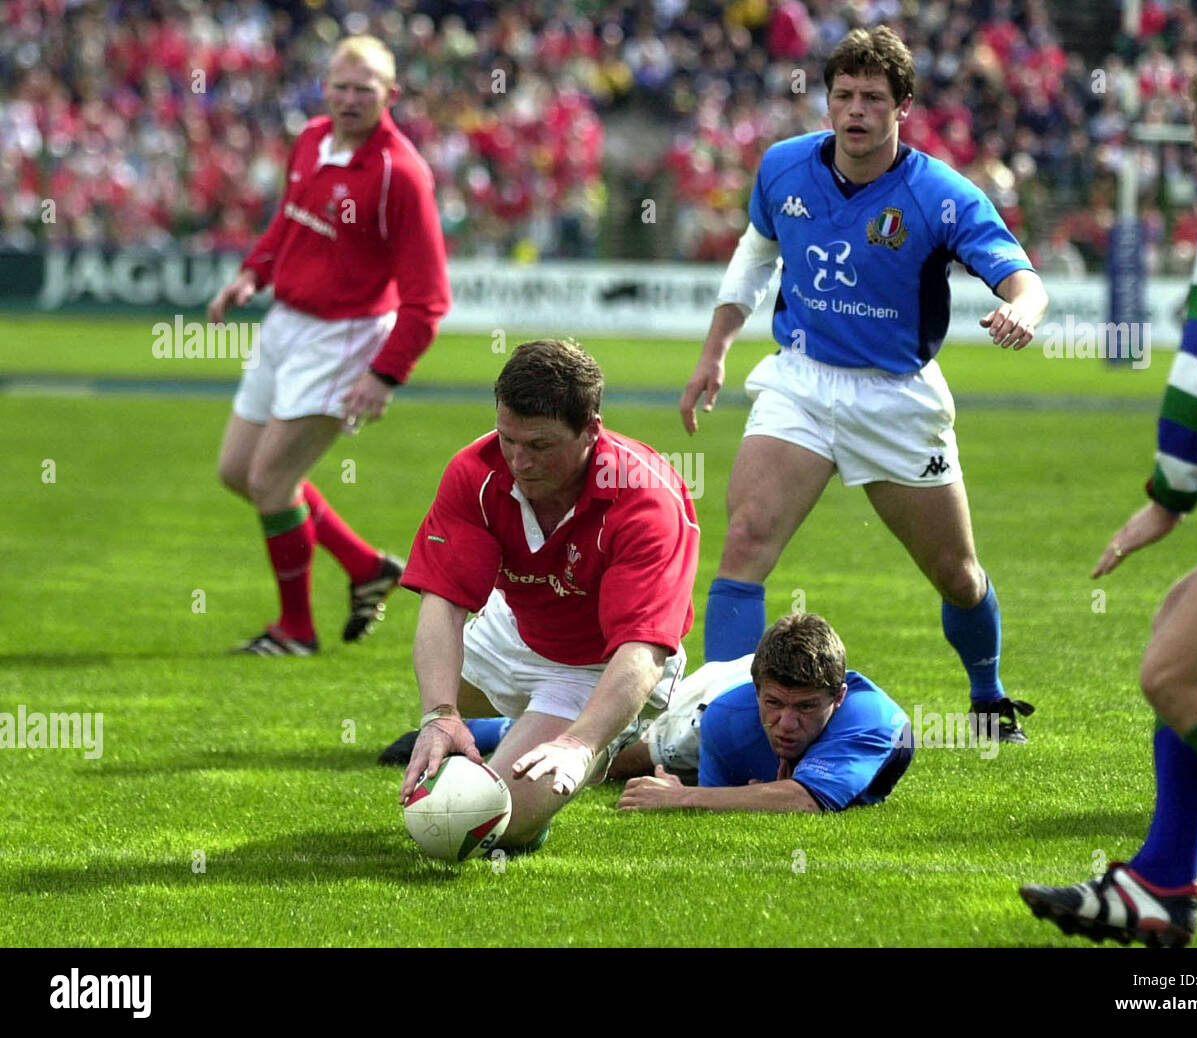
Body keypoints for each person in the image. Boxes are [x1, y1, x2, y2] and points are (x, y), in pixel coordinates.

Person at [678, 27, 1048, 742]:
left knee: (958, 575)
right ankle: (719, 722)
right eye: (843, 95)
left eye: (872, 98)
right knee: (747, 539)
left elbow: (1021, 277)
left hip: (896, 398)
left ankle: (987, 695)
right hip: (802, 382)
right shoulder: (784, 168)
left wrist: (1023, 311)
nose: (855, 110)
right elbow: (755, 259)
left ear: (902, 105)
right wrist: (713, 352)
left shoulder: (942, 194)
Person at [1020, 47, 1197, 949]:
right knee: (1189, 628)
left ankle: (1165, 883)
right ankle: (1162, 880)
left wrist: (1170, 497)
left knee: (1179, 670)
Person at [388, 339, 699, 853]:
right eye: (509, 439)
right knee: (446, 712)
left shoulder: (645, 498)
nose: (519, 461)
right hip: (511, 628)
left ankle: (583, 746)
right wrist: (439, 714)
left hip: (598, 666)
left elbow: (642, 649)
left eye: (540, 446)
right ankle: (522, 730)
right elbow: (442, 602)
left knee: (484, 827)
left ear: (591, 431)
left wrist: (579, 744)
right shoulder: (475, 470)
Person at [208, 34, 451, 656]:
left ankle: (296, 631)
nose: (348, 99)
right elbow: (288, 218)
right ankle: (367, 566)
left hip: (343, 337)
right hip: (286, 322)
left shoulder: (402, 173)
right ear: (325, 87)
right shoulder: (313, 138)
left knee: (271, 478)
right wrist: (251, 274)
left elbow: (429, 298)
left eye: (363, 90)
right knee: (240, 471)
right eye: (340, 86)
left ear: (389, 96)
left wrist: (384, 374)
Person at [615, 613, 913, 813]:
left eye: (805, 706)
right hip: (712, 695)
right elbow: (717, 800)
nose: (786, 724)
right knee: (615, 757)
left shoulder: (872, 719)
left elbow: (804, 800)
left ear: (838, 697)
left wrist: (681, 797)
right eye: (774, 704)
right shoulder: (725, 716)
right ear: (758, 692)